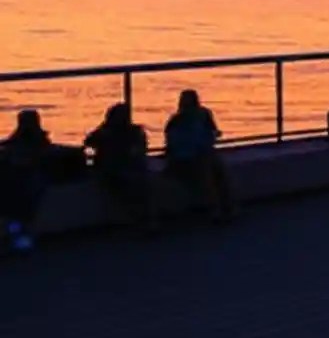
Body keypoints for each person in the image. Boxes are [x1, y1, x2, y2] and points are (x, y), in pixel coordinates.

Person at [164, 90, 237, 222]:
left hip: (201, 153)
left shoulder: (204, 114)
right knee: (207, 169)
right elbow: (172, 144)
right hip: (184, 157)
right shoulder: (176, 121)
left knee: (217, 166)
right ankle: (216, 208)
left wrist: (210, 137)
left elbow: (213, 132)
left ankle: (227, 205)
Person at [85, 104, 157, 232]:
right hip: (114, 170)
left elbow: (138, 151)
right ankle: (142, 220)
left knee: (138, 184)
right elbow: (89, 141)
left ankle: (142, 220)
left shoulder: (130, 132)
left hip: (123, 168)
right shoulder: (108, 132)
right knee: (131, 185)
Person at [0, 110, 52, 253]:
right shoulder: (15, 141)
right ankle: (18, 231)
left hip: (31, 177)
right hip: (17, 177)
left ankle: (21, 231)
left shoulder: (39, 141)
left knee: (28, 193)